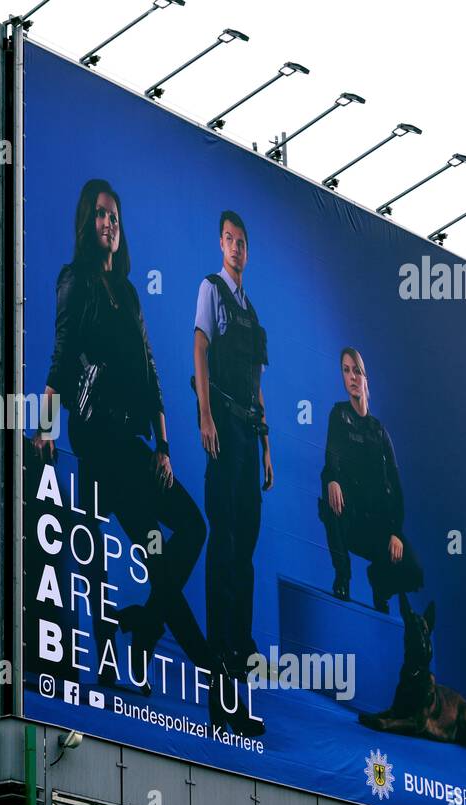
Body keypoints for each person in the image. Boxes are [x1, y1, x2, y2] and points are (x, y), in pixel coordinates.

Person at [34, 179, 262, 736]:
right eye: (100, 216)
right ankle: (195, 674)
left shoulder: (129, 293)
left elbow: (152, 370)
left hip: (135, 447)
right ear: (87, 223)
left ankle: (147, 630)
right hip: (96, 444)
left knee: (188, 531)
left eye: (115, 216)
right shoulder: (76, 281)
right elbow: (61, 357)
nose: (109, 224)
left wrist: (163, 443)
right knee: (139, 553)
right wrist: (43, 427)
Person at [192, 209, 273, 677]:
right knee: (223, 537)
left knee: (246, 543)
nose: (236, 247)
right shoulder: (212, 289)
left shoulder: (252, 311)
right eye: (229, 240)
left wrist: (267, 447)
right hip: (222, 426)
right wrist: (204, 414)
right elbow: (200, 347)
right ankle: (218, 643)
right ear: (221, 245)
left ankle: (241, 645)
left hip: (249, 433)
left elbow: (257, 384)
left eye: (242, 241)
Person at [318, 347, 423, 612]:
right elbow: (331, 458)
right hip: (350, 518)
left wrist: (395, 533)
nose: (351, 377)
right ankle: (343, 577)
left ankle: (380, 585)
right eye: (345, 370)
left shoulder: (379, 431)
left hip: (378, 527)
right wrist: (332, 479)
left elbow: (397, 488)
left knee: (414, 572)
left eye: (356, 371)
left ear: (365, 378)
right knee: (330, 496)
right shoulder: (338, 415)